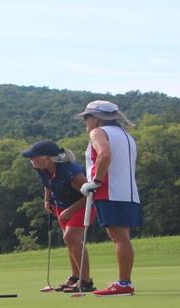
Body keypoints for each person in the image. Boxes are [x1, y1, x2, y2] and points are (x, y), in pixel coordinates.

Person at [76, 101, 141, 296]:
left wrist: (95, 181)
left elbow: (104, 154)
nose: (85, 122)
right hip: (128, 192)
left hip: (109, 190)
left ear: (96, 118)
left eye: (87, 117)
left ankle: (123, 283)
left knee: (118, 237)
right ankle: (124, 281)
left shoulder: (98, 133)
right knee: (123, 237)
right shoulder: (126, 136)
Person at [22, 140, 91, 292]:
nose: (30, 160)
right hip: (61, 206)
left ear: (47, 158)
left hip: (83, 204)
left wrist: (71, 210)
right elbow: (48, 185)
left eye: (33, 156)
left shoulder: (70, 171)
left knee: (72, 238)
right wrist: (47, 200)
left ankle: (85, 280)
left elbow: (90, 195)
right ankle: (75, 277)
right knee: (69, 241)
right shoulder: (42, 169)